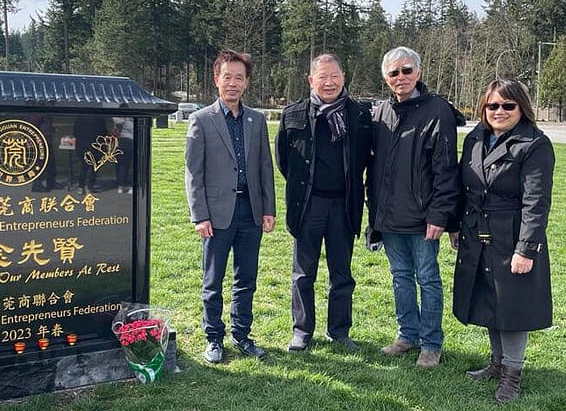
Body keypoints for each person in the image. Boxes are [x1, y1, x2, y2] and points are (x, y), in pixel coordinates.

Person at [451, 79, 554, 403]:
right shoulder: (475, 139)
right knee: (488, 299)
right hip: (477, 233)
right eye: (492, 105)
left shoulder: (535, 144)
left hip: (511, 236)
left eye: (508, 105)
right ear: (483, 108)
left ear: (521, 107)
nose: (499, 111)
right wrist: (456, 225)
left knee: (511, 307)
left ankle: (512, 375)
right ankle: (495, 364)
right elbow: (461, 186)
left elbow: (536, 202)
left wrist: (526, 249)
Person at [368, 46, 459, 368]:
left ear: (418, 73)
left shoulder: (437, 111)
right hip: (390, 217)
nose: (401, 77)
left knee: (428, 279)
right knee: (400, 277)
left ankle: (431, 343)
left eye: (406, 70)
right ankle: (407, 335)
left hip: (423, 219)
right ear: (386, 78)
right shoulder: (380, 113)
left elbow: (447, 169)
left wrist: (440, 215)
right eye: (394, 73)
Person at [275, 53, 372, 352]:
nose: (329, 82)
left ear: (344, 77)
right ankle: (302, 331)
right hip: (309, 205)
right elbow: (284, 162)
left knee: (342, 274)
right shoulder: (294, 114)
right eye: (322, 77)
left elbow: (368, 158)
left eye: (334, 76)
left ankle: (339, 331)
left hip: (344, 206)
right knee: (303, 274)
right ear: (311, 80)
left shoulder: (359, 115)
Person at [185, 49, 276, 363]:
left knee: (246, 279)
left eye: (240, 77)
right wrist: (200, 216)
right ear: (216, 79)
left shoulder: (257, 120)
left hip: (250, 213)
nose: (233, 83)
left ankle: (242, 335)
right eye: (228, 77)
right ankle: (214, 338)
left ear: (247, 82)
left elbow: (265, 167)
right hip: (216, 216)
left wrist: (269, 209)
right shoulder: (201, 120)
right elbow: (193, 173)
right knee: (213, 281)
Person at [112, 116, 134, 194]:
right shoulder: (131, 121)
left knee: (122, 165)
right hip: (131, 142)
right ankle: (131, 185)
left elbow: (115, 122)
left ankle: (121, 185)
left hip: (122, 142)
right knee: (131, 165)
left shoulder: (120, 121)